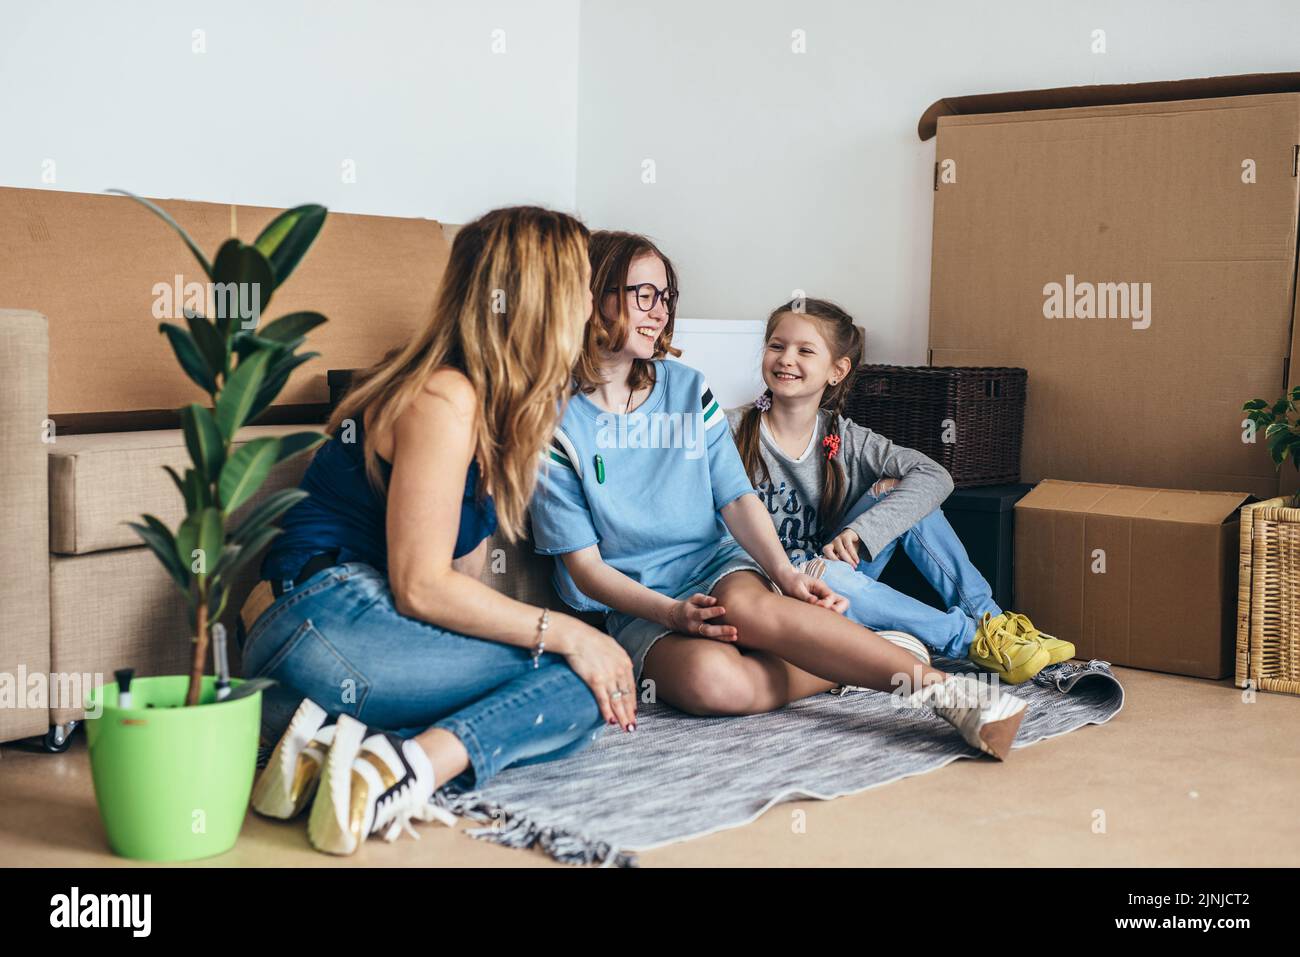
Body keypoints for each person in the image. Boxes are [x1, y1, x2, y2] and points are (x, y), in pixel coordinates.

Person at [528, 231, 1032, 762]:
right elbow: (584, 568)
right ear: (591, 297)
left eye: (666, 296)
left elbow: (737, 499)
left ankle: (940, 689)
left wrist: (787, 575)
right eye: (642, 294)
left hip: (715, 565)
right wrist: (673, 614)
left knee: (747, 606)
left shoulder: (686, 387)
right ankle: (877, 650)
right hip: (637, 600)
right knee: (712, 683)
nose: (658, 312)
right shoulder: (552, 422)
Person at [239, 206, 634, 855]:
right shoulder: (443, 397)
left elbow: (459, 589)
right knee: (571, 676)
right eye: (583, 286)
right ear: (541, 296)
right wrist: (565, 633)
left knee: (565, 689)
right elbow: (421, 586)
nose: (592, 304)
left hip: (336, 643)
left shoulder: (499, 413)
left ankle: (308, 740)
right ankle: (404, 769)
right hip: (324, 615)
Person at [727, 297, 1074, 683]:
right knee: (831, 576)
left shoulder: (846, 437)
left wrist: (862, 531)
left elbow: (935, 476)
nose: (786, 359)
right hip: (768, 587)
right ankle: (969, 640)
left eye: (804, 350)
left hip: (833, 579)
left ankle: (990, 620)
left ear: (837, 371)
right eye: (777, 346)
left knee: (899, 490)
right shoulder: (730, 431)